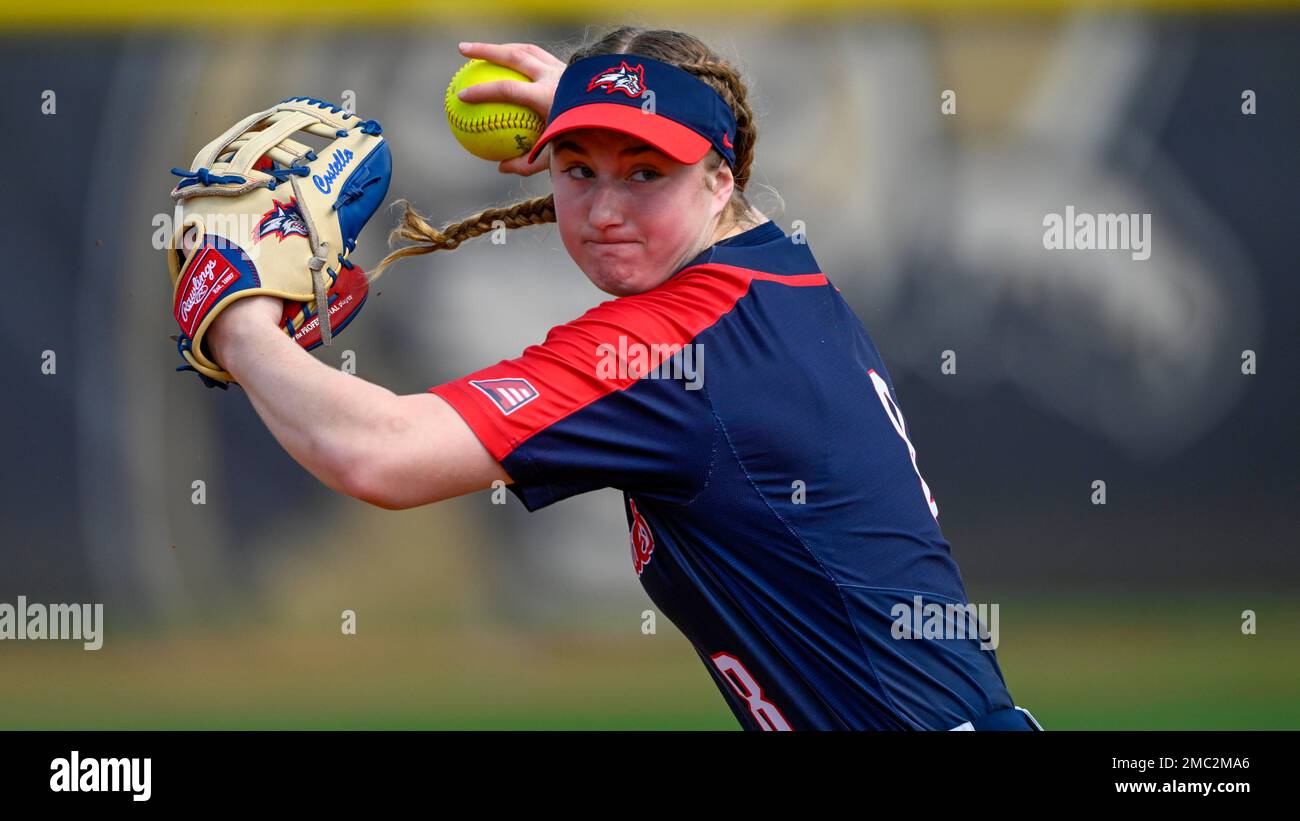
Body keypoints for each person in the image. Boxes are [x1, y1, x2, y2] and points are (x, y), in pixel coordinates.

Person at [207, 26, 1041, 731]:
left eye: (646, 173)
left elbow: (376, 453)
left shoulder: (671, 350)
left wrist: (234, 312)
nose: (605, 209)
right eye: (579, 169)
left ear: (721, 178)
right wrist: (601, 102)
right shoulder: (776, 273)